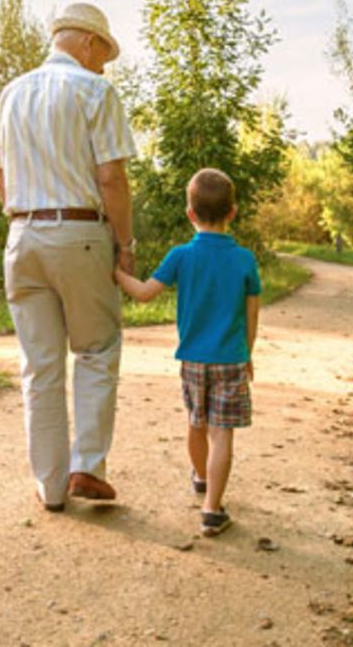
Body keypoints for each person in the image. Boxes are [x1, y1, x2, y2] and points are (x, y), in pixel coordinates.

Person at [0, 2, 138, 512]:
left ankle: (50, 487)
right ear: (89, 44)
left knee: (40, 365)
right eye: (104, 54)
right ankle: (87, 468)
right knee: (95, 350)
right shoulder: (95, 91)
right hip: (80, 234)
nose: (104, 66)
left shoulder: (11, 93)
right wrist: (126, 244)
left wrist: (24, 217)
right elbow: (111, 176)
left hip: (21, 235)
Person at [113, 168, 260, 536]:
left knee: (197, 422)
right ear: (233, 212)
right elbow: (251, 313)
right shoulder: (245, 260)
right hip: (230, 359)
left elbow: (145, 292)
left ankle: (200, 476)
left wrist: (115, 273)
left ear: (190, 213)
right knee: (222, 432)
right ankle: (212, 509)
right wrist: (248, 354)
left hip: (192, 359)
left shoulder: (181, 256)